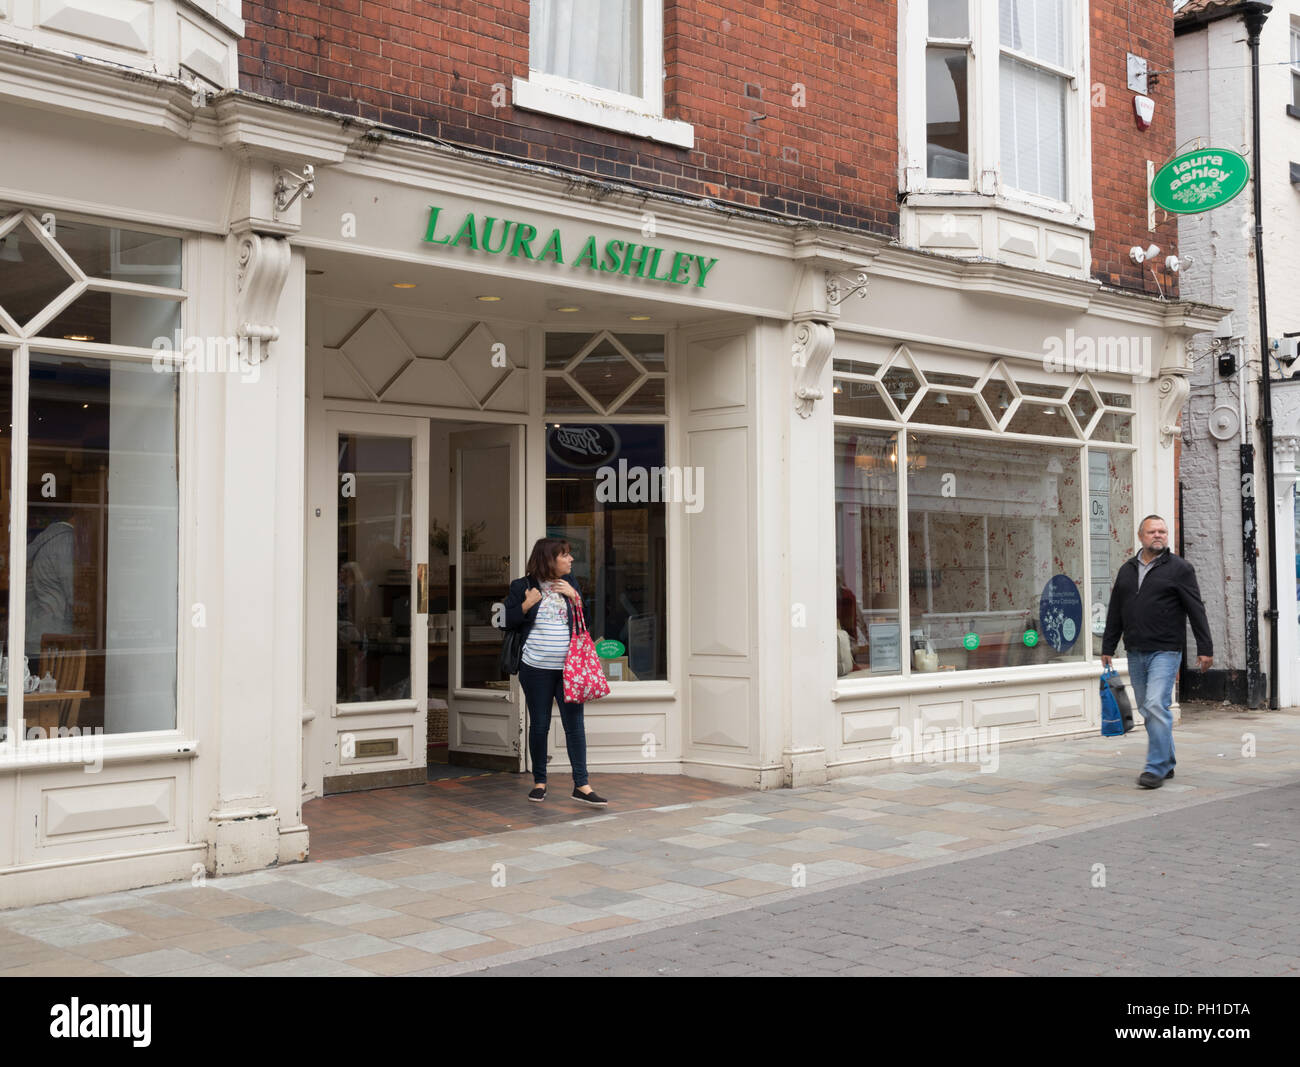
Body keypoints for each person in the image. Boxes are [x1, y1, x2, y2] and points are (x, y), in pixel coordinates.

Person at [1101, 514, 1213, 789]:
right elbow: (1116, 609)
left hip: (1165, 650)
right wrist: (1107, 646)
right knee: (1149, 708)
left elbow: (1195, 608)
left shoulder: (1179, 569)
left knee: (1154, 704)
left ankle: (1156, 767)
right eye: (1153, 531)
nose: (1159, 535)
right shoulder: (1127, 569)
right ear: (1141, 536)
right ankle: (1168, 760)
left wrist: (1205, 648)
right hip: (1136, 651)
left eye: (1162, 531)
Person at [503, 537, 607, 806]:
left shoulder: (571, 584)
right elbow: (503, 621)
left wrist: (575, 599)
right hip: (535, 667)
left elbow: (584, 622)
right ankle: (540, 782)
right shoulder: (522, 586)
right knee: (539, 724)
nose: (571, 559)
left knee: (575, 726)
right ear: (549, 559)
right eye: (565, 555)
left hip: (569, 669)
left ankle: (582, 785)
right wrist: (527, 604)